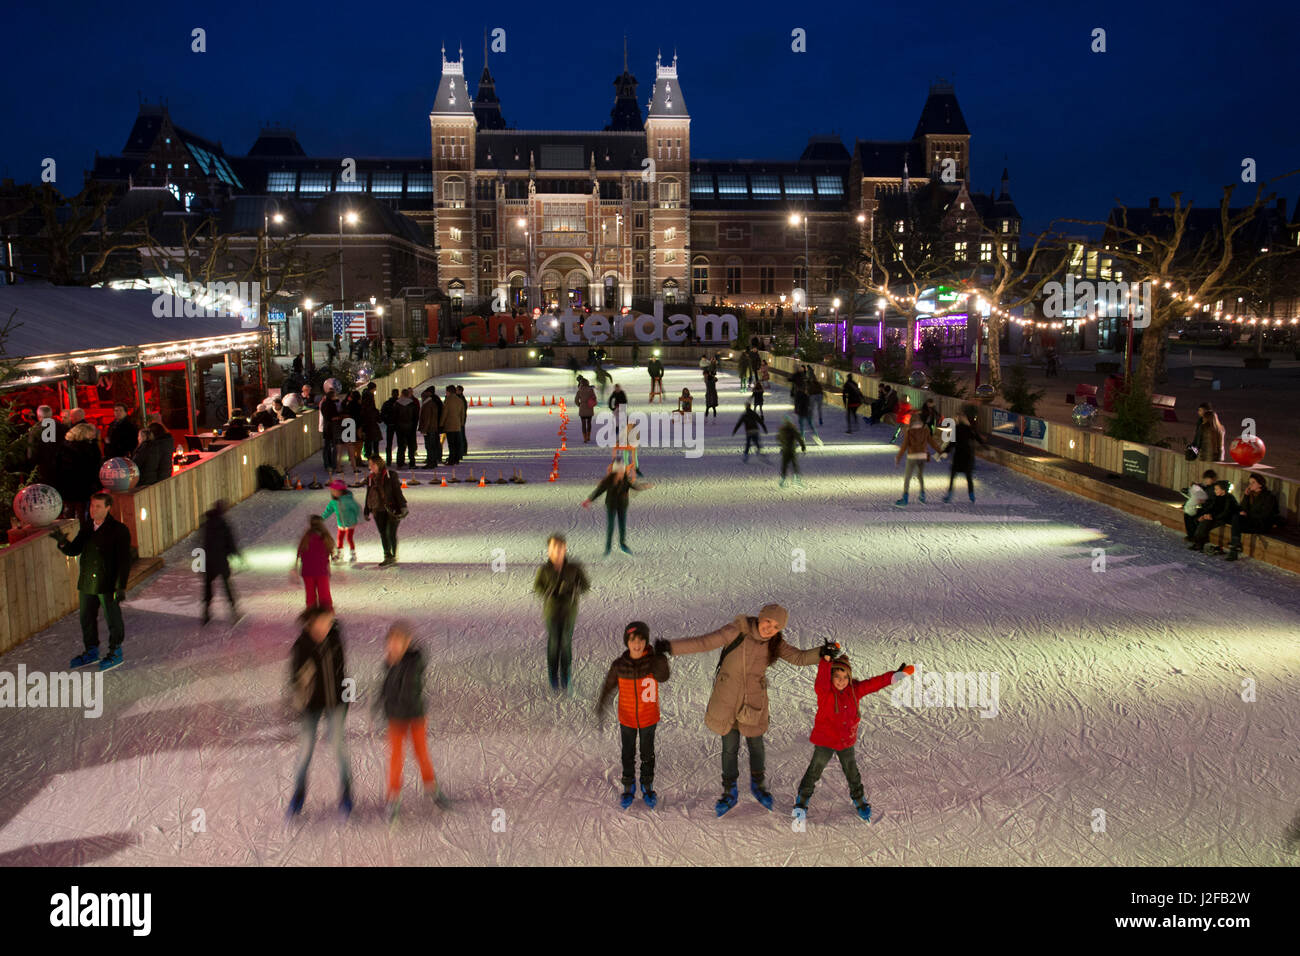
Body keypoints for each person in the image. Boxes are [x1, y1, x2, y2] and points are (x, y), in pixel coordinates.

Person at [655, 604, 820, 816]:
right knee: (729, 746)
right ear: (761, 617)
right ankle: (729, 791)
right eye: (768, 621)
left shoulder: (775, 643)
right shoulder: (737, 631)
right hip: (726, 699)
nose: (770, 628)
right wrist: (670, 646)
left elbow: (800, 658)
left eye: (776, 626)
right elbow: (705, 642)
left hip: (753, 702)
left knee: (756, 746)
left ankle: (758, 786)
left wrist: (823, 652)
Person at [794, 649, 912, 821]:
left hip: (845, 741)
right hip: (825, 740)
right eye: (837, 677)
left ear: (849, 678)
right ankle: (802, 800)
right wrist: (826, 660)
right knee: (814, 770)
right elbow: (821, 680)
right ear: (831, 677)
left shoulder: (855, 690)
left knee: (852, 772)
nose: (841, 681)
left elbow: (874, 683)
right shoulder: (825, 692)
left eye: (844, 677)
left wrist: (896, 676)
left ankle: (859, 799)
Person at [52, 491, 132, 672]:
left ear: (108, 508)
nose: (93, 509)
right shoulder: (88, 526)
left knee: (112, 617)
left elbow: (124, 560)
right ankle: (91, 650)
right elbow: (75, 550)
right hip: (88, 581)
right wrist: (63, 543)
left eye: (98, 506)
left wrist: (120, 585)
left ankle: (115, 651)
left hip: (107, 582)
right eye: (91, 505)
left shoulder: (118, 530)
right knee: (86, 617)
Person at [376, 621, 449, 819]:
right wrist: (379, 704)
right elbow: (386, 688)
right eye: (391, 642)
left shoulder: (414, 662)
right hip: (395, 718)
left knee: (420, 752)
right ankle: (393, 797)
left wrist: (396, 664)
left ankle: (432, 788)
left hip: (415, 715)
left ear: (408, 643)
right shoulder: (390, 663)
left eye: (399, 642)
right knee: (395, 757)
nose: (394, 646)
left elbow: (407, 687)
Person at [595, 621, 671, 809]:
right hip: (627, 718)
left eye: (641, 640)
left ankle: (647, 785)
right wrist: (602, 703)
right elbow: (609, 685)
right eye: (632, 640)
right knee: (627, 754)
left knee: (647, 754)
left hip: (648, 717)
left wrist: (660, 656)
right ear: (627, 643)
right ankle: (628, 786)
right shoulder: (620, 665)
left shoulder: (653, 662)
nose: (637, 644)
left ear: (646, 642)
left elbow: (663, 676)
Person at [287, 604, 353, 817]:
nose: (327, 626)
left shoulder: (334, 640)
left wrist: (347, 699)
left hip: (335, 702)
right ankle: (298, 793)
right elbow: (295, 681)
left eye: (329, 622)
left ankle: (346, 792)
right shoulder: (301, 646)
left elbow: (342, 671)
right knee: (306, 748)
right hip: (311, 706)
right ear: (312, 623)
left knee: (338, 745)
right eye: (323, 622)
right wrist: (302, 681)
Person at [532, 534, 591, 693]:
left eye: (560, 548)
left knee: (565, 643)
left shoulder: (573, 568)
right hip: (552, 611)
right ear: (549, 550)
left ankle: (566, 676)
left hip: (568, 611)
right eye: (554, 548)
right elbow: (537, 587)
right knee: (554, 643)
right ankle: (553, 676)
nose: (557, 551)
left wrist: (574, 590)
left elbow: (585, 585)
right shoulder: (544, 569)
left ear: (565, 549)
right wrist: (548, 591)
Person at [581, 462, 642, 556]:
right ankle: (608, 547)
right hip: (611, 505)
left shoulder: (626, 479)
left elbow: (634, 487)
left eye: (623, 471)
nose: (622, 473)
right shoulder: (609, 481)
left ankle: (622, 544)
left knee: (622, 526)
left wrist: (642, 486)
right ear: (615, 471)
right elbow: (599, 491)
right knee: (611, 526)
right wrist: (589, 500)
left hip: (622, 505)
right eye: (620, 471)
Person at [199, 500, 241, 625]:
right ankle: (233, 610)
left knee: (208, 587)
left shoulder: (207, 523)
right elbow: (230, 542)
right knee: (227, 586)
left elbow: (202, 542)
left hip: (208, 561)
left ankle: (206, 612)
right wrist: (236, 555)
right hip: (220, 560)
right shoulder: (223, 524)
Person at [364, 455, 408, 567]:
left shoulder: (390, 475)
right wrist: (366, 510)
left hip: (392, 509)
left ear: (378, 464)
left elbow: (397, 492)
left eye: (372, 464)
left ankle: (393, 555)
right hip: (377, 510)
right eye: (370, 464)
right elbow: (368, 494)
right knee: (383, 533)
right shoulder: (370, 478)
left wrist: (402, 506)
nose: (370, 467)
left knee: (390, 532)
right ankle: (387, 556)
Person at [1226, 473, 1281, 561]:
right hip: (1251, 522)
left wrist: (1247, 515)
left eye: (1253, 482)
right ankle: (1235, 547)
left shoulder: (1268, 497)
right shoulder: (1250, 495)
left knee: (1237, 520)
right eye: (1249, 482)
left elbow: (1265, 515)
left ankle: (1234, 548)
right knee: (1235, 517)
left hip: (1261, 524)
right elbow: (1242, 508)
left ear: (1260, 484)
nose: (1250, 485)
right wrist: (1246, 496)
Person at [56, 421, 104, 522]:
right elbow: (94, 466)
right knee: (83, 511)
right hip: (84, 485)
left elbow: (57, 466)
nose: (93, 434)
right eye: (91, 432)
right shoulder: (88, 448)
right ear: (85, 433)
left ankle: (68, 531)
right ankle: (82, 532)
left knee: (69, 510)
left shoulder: (64, 447)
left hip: (68, 485)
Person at [895, 412, 944, 506]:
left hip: (912, 456)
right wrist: (940, 451)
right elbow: (932, 442)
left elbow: (904, 446)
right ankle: (922, 495)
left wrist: (898, 457)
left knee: (907, 477)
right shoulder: (925, 431)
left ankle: (905, 499)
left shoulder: (909, 432)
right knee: (920, 475)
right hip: (922, 456)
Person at [942, 406, 988, 503]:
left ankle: (949, 495)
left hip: (959, 456)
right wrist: (986, 448)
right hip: (968, 456)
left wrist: (945, 452)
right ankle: (971, 496)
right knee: (968, 477)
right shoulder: (970, 429)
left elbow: (952, 443)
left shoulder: (957, 428)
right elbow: (978, 439)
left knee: (953, 476)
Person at [294, 515, 335, 608]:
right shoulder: (325, 537)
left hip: (307, 572)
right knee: (324, 595)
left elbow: (300, 553)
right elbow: (330, 553)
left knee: (310, 595)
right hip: (321, 571)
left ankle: (311, 615)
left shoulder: (306, 537)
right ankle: (326, 616)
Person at [1188, 480, 1238, 553]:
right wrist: (1205, 515)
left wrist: (1212, 517)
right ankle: (1198, 540)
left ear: (1223, 490)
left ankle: (1199, 543)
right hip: (1214, 517)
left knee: (1205, 523)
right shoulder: (1217, 497)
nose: (1215, 491)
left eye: (1217, 489)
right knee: (1198, 518)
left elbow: (1225, 513)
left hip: (1223, 519)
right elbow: (1211, 507)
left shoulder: (1229, 498)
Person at [321, 478, 361, 563]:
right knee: (340, 538)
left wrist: (359, 518)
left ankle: (353, 555)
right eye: (332, 491)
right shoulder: (333, 502)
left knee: (349, 539)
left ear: (341, 491)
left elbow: (357, 508)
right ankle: (340, 554)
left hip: (350, 523)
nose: (333, 492)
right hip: (341, 523)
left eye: (335, 490)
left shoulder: (348, 500)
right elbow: (328, 510)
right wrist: (322, 518)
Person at [1182, 469, 1218, 541]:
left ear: (1213, 479)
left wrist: (1203, 502)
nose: (1206, 481)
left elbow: (1211, 501)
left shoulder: (1214, 488)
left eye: (1208, 479)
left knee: (1192, 515)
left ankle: (1194, 536)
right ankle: (1191, 535)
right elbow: (1202, 489)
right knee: (1188, 513)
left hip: (1209, 509)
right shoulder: (1208, 487)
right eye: (1205, 479)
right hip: (1204, 507)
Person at [339, 391, 365, 477]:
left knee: (342, 448)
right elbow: (359, 418)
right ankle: (355, 464)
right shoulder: (357, 406)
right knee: (354, 445)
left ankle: (340, 466)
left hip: (347, 427)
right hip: (354, 427)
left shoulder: (347, 405)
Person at [392, 388, 420, 469]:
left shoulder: (397, 404)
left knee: (401, 446)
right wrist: (414, 426)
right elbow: (416, 417)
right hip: (410, 427)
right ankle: (412, 462)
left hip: (400, 428)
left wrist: (396, 426)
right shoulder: (412, 404)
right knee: (411, 446)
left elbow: (394, 417)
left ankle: (400, 462)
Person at [777, 414, 806, 487]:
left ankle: (782, 480)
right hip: (792, 450)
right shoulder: (793, 428)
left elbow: (778, 438)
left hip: (785, 450)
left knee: (784, 465)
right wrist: (803, 446)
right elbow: (799, 437)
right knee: (794, 464)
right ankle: (796, 480)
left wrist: (781, 445)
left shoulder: (781, 429)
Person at [439, 385, 464, 467]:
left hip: (449, 425)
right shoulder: (459, 400)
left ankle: (451, 459)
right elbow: (462, 413)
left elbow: (444, 413)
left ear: (449, 391)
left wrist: (441, 424)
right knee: (457, 443)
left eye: (446, 391)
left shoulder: (448, 400)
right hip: (457, 425)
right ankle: (456, 459)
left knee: (451, 444)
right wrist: (461, 423)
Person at [418, 386, 443, 467]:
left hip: (429, 429)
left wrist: (424, 429)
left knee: (429, 446)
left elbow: (427, 418)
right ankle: (433, 461)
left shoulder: (427, 405)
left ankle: (431, 462)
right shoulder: (432, 403)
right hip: (433, 427)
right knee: (433, 445)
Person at [360, 385, 381, 460]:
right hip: (371, 423)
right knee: (374, 440)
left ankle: (368, 454)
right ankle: (375, 455)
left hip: (367, 423)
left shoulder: (364, 399)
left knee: (368, 440)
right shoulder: (370, 399)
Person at [380, 387, 400, 466]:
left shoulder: (387, 403)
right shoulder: (400, 403)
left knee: (389, 443)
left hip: (391, 424)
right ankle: (399, 460)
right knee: (400, 443)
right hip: (397, 425)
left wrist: (387, 422)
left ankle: (389, 460)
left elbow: (382, 414)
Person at [575, 376, 598, 442]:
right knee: (589, 423)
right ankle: (588, 436)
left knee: (583, 423)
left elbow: (576, 400)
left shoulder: (579, 390)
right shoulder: (591, 390)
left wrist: (579, 405)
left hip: (582, 407)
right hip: (589, 408)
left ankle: (585, 438)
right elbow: (594, 398)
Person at [456, 384, 470, 459]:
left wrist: (462, 420)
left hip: (460, 420)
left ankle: (463, 450)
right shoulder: (461, 398)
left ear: (460, 391)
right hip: (461, 420)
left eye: (457, 390)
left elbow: (462, 411)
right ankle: (463, 450)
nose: (455, 391)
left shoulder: (460, 399)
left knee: (461, 435)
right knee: (461, 435)